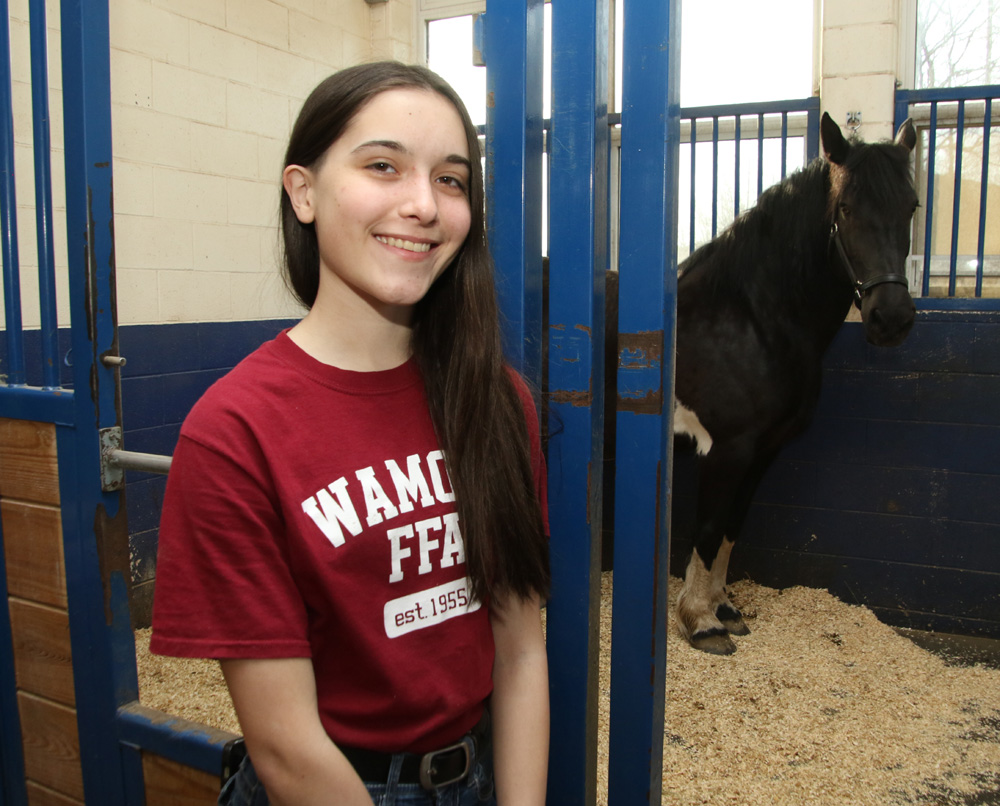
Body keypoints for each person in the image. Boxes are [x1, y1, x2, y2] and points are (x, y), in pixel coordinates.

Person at [150, 61, 551, 806]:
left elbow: (522, 651)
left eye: (452, 180)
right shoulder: (234, 432)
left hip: (475, 775)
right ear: (303, 191)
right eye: (383, 166)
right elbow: (288, 749)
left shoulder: (496, 402)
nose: (424, 204)